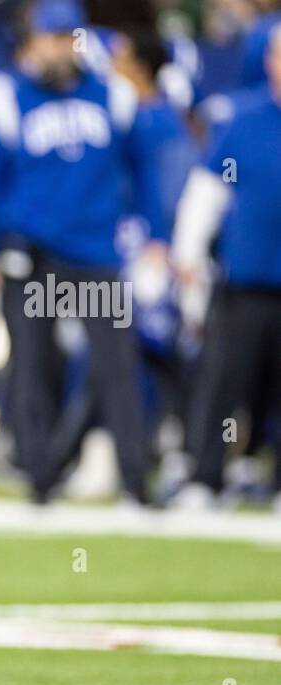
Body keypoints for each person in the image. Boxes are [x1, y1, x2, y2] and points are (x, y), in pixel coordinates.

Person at [0, 0, 169, 504]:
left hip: (95, 250)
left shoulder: (116, 96)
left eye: (67, 37)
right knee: (34, 364)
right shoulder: (6, 97)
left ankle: (133, 480)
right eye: (50, 37)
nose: (58, 47)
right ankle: (40, 477)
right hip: (32, 252)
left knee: (117, 364)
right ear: (33, 41)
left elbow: (145, 170)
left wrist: (155, 235)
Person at [171, 21, 281, 510]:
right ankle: (205, 477)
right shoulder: (244, 117)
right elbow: (206, 191)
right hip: (246, 279)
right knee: (222, 383)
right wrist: (189, 252)